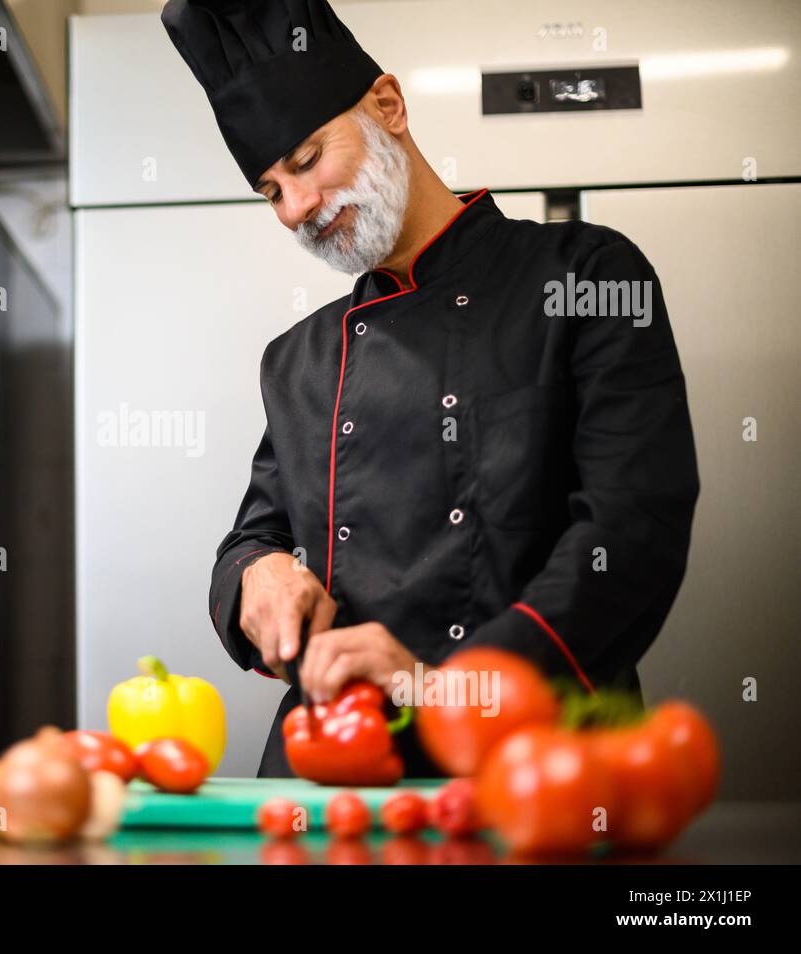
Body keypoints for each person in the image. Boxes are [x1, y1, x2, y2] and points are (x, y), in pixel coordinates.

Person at [161, 0, 699, 776]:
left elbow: (632, 529)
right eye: (271, 191)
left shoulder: (587, 276)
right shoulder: (296, 359)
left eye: (308, 159)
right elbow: (254, 536)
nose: (297, 210)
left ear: (389, 104)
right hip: (330, 772)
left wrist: (454, 690)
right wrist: (256, 577)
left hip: (531, 764)